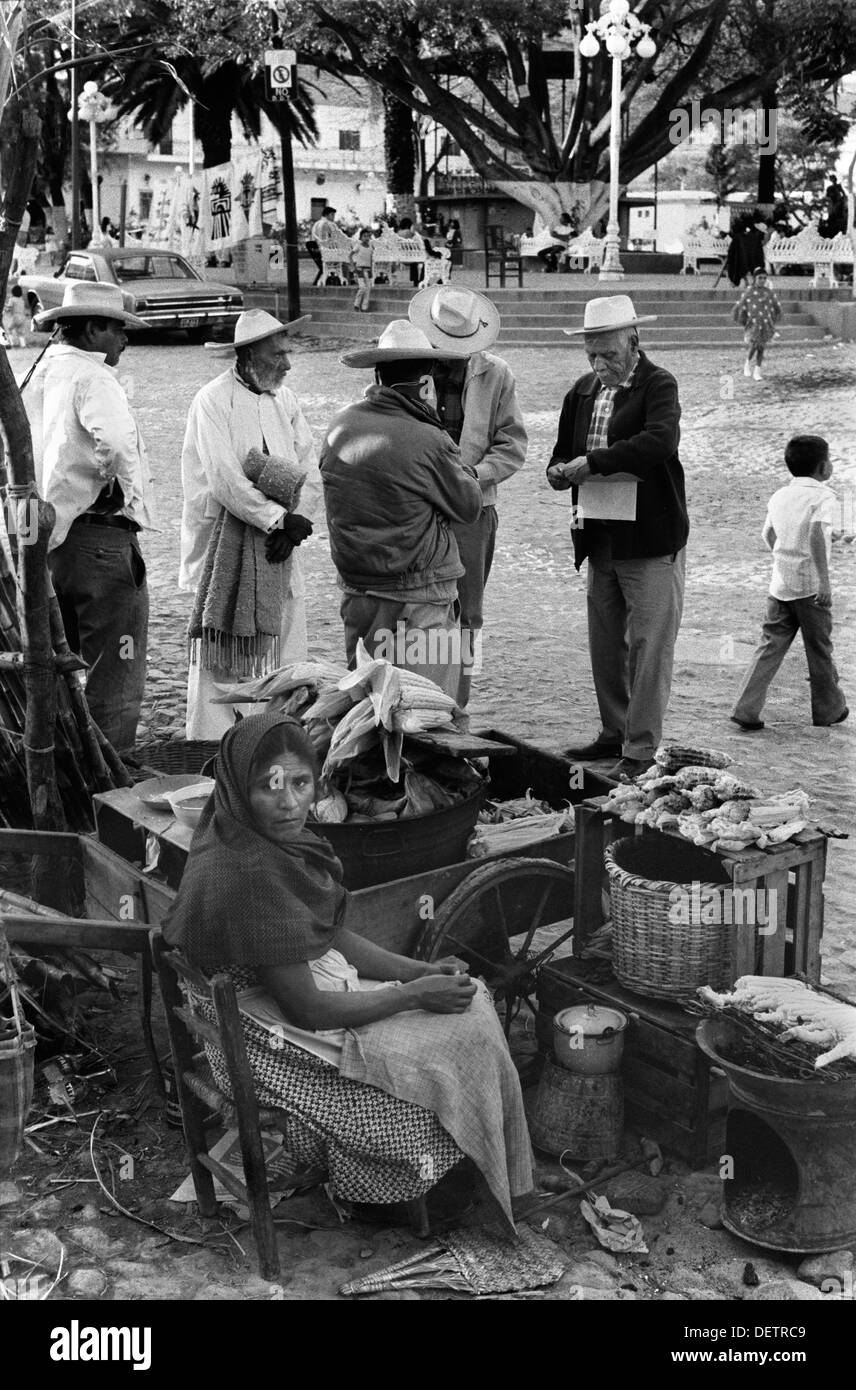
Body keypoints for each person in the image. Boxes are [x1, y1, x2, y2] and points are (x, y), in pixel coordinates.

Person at [163, 713, 533, 1226]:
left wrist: (415, 970)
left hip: (284, 996)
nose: (290, 802)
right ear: (236, 787)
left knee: (468, 1012)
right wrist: (415, 995)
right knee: (446, 1052)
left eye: (300, 783)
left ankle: (486, 1160)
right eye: (269, 786)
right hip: (254, 1039)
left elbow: (328, 935)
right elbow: (309, 1009)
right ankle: (409, 1194)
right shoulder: (246, 872)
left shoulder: (250, 838)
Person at [548, 295, 689, 778]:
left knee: (651, 646)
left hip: (650, 537)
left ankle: (641, 747)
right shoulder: (581, 390)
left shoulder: (658, 383)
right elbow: (562, 449)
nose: (599, 364)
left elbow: (660, 442)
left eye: (608, 353)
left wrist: (597, 462)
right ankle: (614, 730)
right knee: (606, 643)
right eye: (591, 354)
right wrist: (558, 471)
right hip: (599, 533)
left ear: (634, 341)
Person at [24, 282, 154, 755]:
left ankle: (70, 765)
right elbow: (117, 443)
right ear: (95, 328)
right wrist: (116, 484)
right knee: (116, 665)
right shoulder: (93, 377)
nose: (125, 340)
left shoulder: (41, 372)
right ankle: (109, 777)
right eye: (119, 329)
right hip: (98, 540)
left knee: (62, 661)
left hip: (51, 539)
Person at [321, 319, 482, 698]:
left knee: (366, 707)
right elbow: (469, 505)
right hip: (419, 600)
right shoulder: (428, 438)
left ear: (378, 375)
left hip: (359, 594)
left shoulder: (339, 425)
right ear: (425, 385)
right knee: (424, 712)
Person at [179, 309, 320, 739]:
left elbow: (310, 467)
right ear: (249, 354)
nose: (288, 363)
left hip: (282, 546)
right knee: (223, 652)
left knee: (286, 642)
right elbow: (224, 479)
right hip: (226, 546)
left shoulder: (286, 401)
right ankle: (211, 748)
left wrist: (297, 526)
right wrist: (276, 520)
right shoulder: (213, 400)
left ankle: (275, 741)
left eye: (288, 352)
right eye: (278, 354)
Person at [408, 286, 527, 705]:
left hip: (474, 509)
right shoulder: (410, 368)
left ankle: (458, 702)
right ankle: (422, 696)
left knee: (468, 610)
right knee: (420, 605)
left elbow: (511, 444)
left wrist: (474, 476)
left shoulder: (496, 373)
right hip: (418, 509)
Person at [731, 435, 848, 732]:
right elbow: (815, 537)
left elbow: (767, 535)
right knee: (819, 648)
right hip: (810, 588)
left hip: (780, 584)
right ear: (824, 467)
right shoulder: (824, 497)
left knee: (769, 646)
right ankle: (828, 710)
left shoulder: (780, 495)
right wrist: (824, 581)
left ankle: (745, 708)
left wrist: (784, 558)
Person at [733, 268, 782, 381]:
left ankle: (757, 371)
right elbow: (742, 305)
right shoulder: (749, 291)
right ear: (755, 278)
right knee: (754, 346)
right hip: (753, 323)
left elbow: (775, 305)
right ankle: (747, 363)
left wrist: (773, 317)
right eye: (760, 278)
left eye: (765, 278)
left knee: (761, 348)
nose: (762, 280)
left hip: (765, 324)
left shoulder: (768, 292)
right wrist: (744, 319)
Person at [726, 214, 767, 287]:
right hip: (749, 260)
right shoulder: (755, 240)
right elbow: (759, 255)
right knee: (755, 261)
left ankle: (743, 280)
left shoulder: (742, 237)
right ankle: (749, 281)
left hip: (740, 258)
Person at [307, 206, 340, 286]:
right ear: (327, 215)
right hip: (325, 253)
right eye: (332, 215)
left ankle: (333, 279)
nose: (333, 217)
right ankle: (345, 280)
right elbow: (325, 241)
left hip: (317, 252)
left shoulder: (316, 224)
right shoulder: (326, 224)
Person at [350, 227, 374, 312]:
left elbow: (371, 259)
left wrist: (371, 270)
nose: (366, 238)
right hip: (360, 270)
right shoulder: (358, 246)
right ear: (361, 237)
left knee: (368, 288)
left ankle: (364, 307)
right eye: (364, 236)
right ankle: (356, 304)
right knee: (362, 287)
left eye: (368, 236)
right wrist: (353, 267)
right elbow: (350, 255)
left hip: (367, 270)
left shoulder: (370, 247)